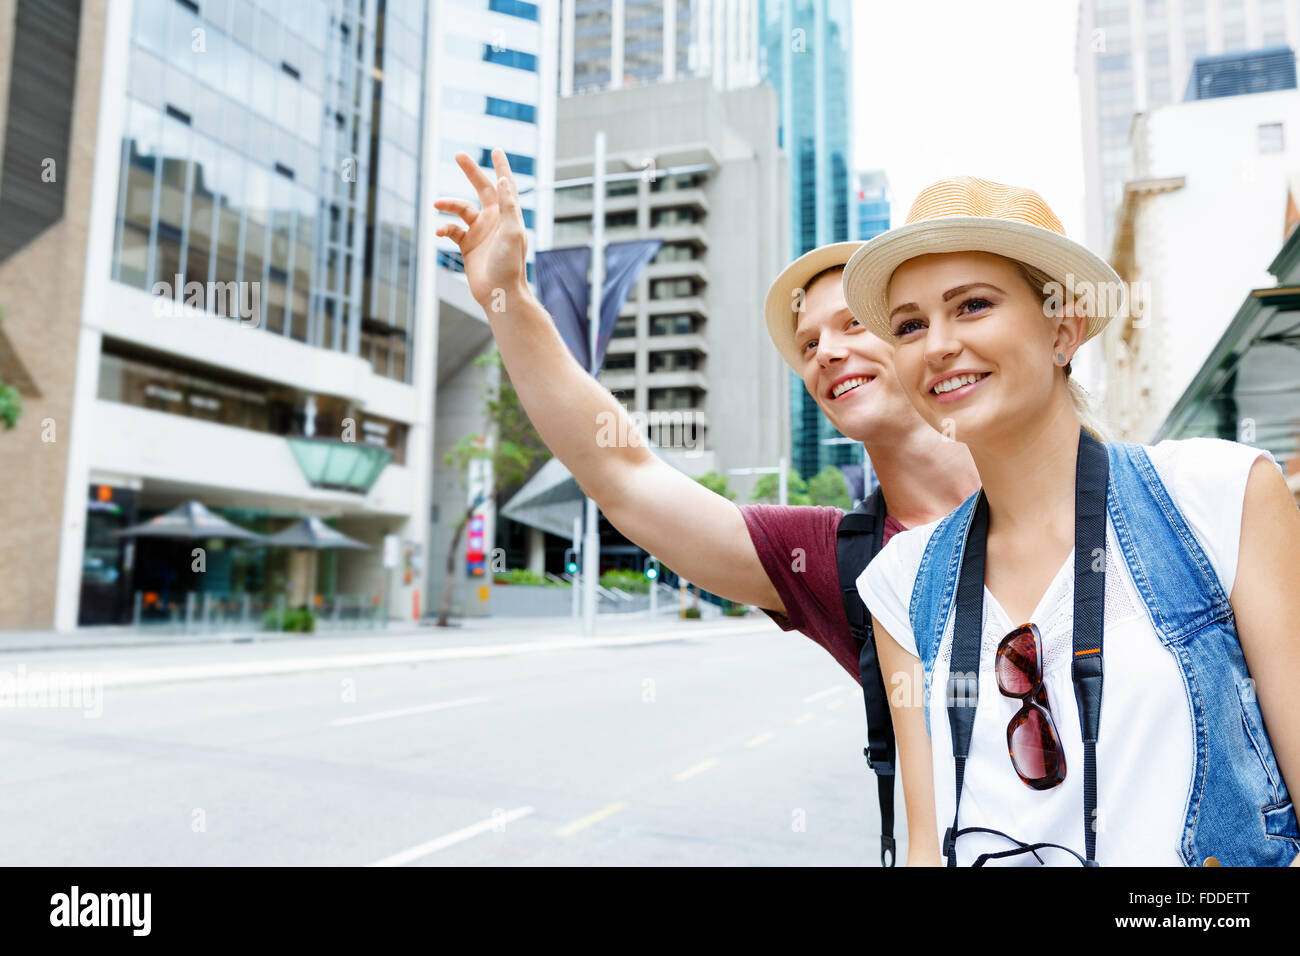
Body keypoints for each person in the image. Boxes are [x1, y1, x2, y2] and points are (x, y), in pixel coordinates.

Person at [432, 149, 979, 773]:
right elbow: (624, 476)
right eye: (807, 343)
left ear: (915, 334)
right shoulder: (836, 559)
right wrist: (508, 296)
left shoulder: (1094, 493)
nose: (825, 352)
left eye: (853, 324)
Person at [849, 175, 1300, 867]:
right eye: (910, 325)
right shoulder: (903, 581)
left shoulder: (1221, 495)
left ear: (1063, 329)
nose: (936, 345)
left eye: (971, 305)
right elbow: (923, 846)